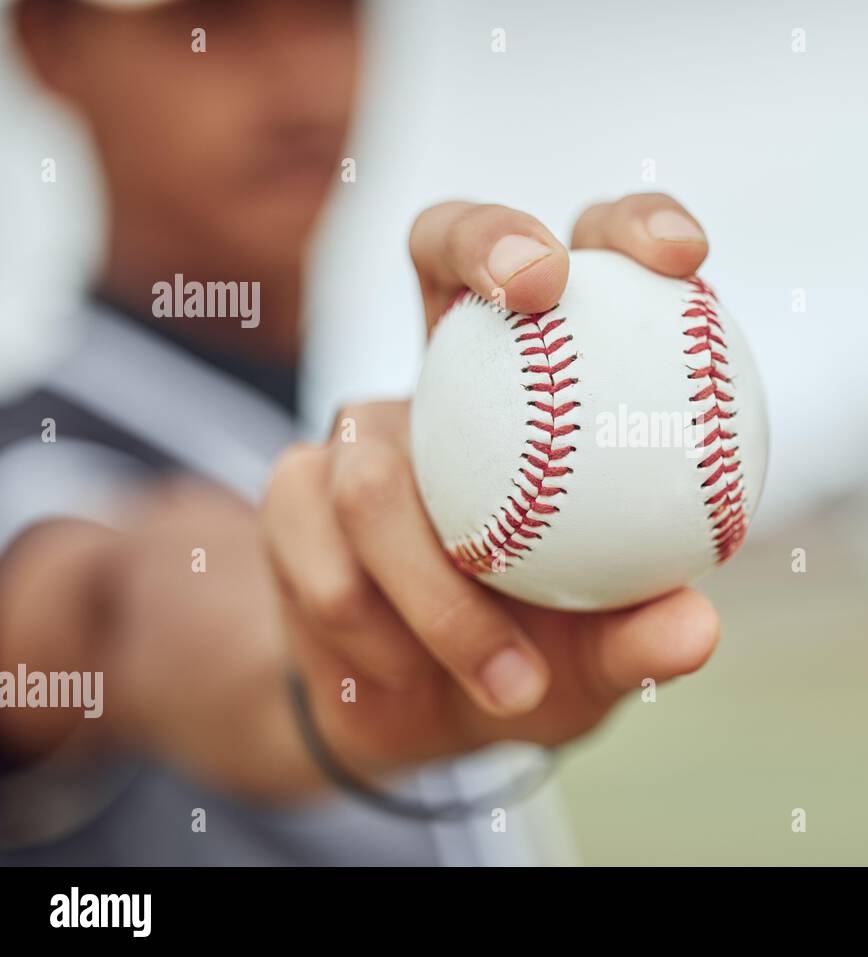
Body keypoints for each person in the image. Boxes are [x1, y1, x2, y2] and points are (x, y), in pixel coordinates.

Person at [0, 0, 720, 865]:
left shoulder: (404, 476)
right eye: (212, 18)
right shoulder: (34, 477)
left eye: (330, 11)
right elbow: (124, 605)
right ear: (46, 42)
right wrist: (317, 660)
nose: (300, 86)